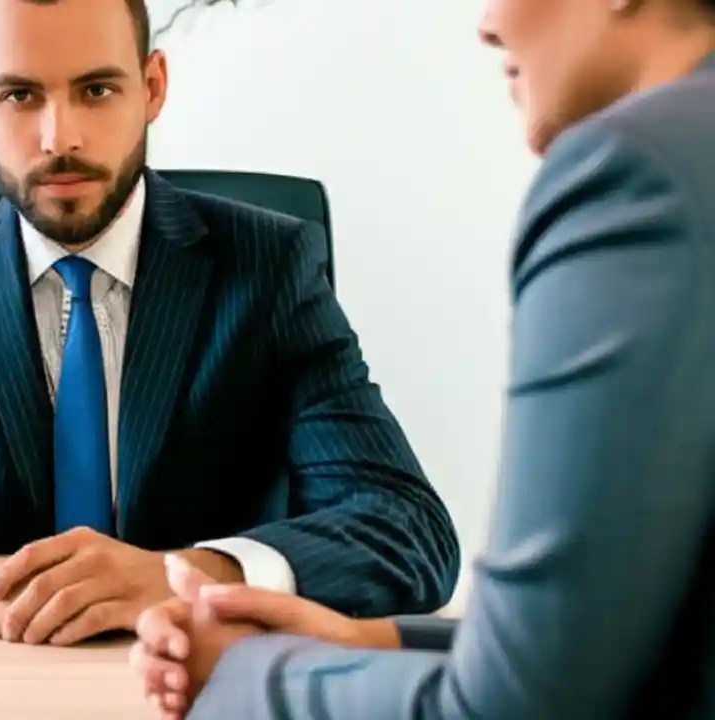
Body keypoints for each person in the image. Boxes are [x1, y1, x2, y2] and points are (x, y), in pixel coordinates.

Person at [0, 0, 459, 646]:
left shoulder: (271, 267)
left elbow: (407, 529)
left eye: (97, 89)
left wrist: (183, 577)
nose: (58, 137)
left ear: (153, 87)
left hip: (213, 684)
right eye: (20, 95)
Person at [129, 0, 715, 717]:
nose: (488, 21)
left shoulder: (636, 173)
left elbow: (517, 705)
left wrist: (246, 675)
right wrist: (365, 640)